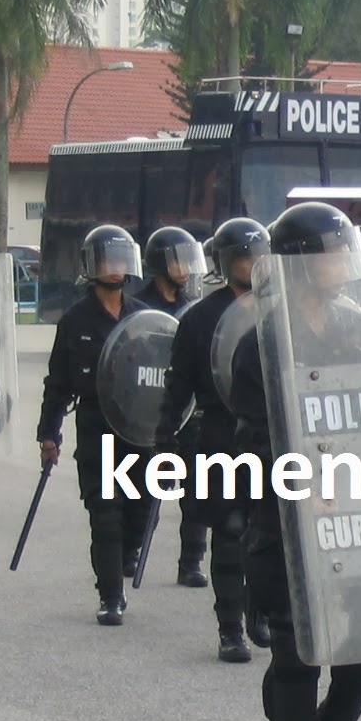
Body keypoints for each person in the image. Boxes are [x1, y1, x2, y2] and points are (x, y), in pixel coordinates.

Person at [227, 202, 361, 721]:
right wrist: (302, 484)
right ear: (300, 263)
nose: (342, 261)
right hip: (289, 514)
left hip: (359, 507)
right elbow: (253, 437)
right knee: (298, 643)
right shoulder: (262, 344)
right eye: (330, 250)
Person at [155, 217, 272, 663]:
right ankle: (230, 629)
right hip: (220, 431)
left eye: (258, 256)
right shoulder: (201, 317)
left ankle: (260, 611)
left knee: (265, 532)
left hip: (269, 436)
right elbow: (179, 381)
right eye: (243, 258)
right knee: (228, 530)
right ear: (225, 263)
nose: (252, 265)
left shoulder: (279, 308)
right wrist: (165, 438)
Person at [37, 225, 151, 626]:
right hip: (97, 428)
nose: (115, 268)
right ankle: (110, 596)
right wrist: (48, 433)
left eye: (121, 260)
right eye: (107, 260)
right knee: (105, 514)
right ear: (91, 266)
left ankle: (124, 559)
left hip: (140, 432)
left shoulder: (144, 318)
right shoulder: (74, 320)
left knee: (139, 510)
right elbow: (58, 383)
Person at [135, 226, 211, 587]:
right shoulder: (140, 307)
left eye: (187, 259)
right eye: (176, 260)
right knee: (147, 486)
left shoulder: (195, 308)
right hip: (153, 407)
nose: (184, 268)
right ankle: (133, 548)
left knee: (196, 490)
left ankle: (191, 561)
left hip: (191, 411)